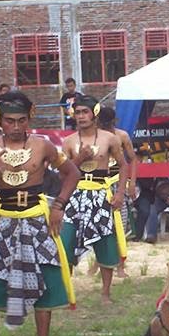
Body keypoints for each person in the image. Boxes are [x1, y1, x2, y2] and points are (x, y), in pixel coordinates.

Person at [0, 91, 80, 336]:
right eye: (9, 121)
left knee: (47, 280)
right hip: (4, 221)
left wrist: (59, 206)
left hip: (37, 219)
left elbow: (73, 173)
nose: (16, 127)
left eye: (21, 120)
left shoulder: (43, 146)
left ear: (29, 118)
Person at [60, 95, 128, 304]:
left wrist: (120, 194)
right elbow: (63, 172)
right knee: (66, 242)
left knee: (105, 242)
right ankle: (65, 291)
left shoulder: (110, 139)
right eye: (77, 112)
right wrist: (79, 158)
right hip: (76, 194)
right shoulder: (69, 141)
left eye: (84, 112)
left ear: (94, 113)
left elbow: (124, 165)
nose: (80, 116)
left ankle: (106, 293)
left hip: (100, 194)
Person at [98, 106, 139, 269]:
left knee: (120, 224)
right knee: (101, 224)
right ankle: (101, 262)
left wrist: (132, 182)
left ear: (114, 121)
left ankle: (121, 264)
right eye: (103, 123)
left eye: (109, 123)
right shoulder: (95, 137)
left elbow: (133, 159)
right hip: (100, 183)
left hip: (117, 181)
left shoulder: (122, 136)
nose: (106, 126)